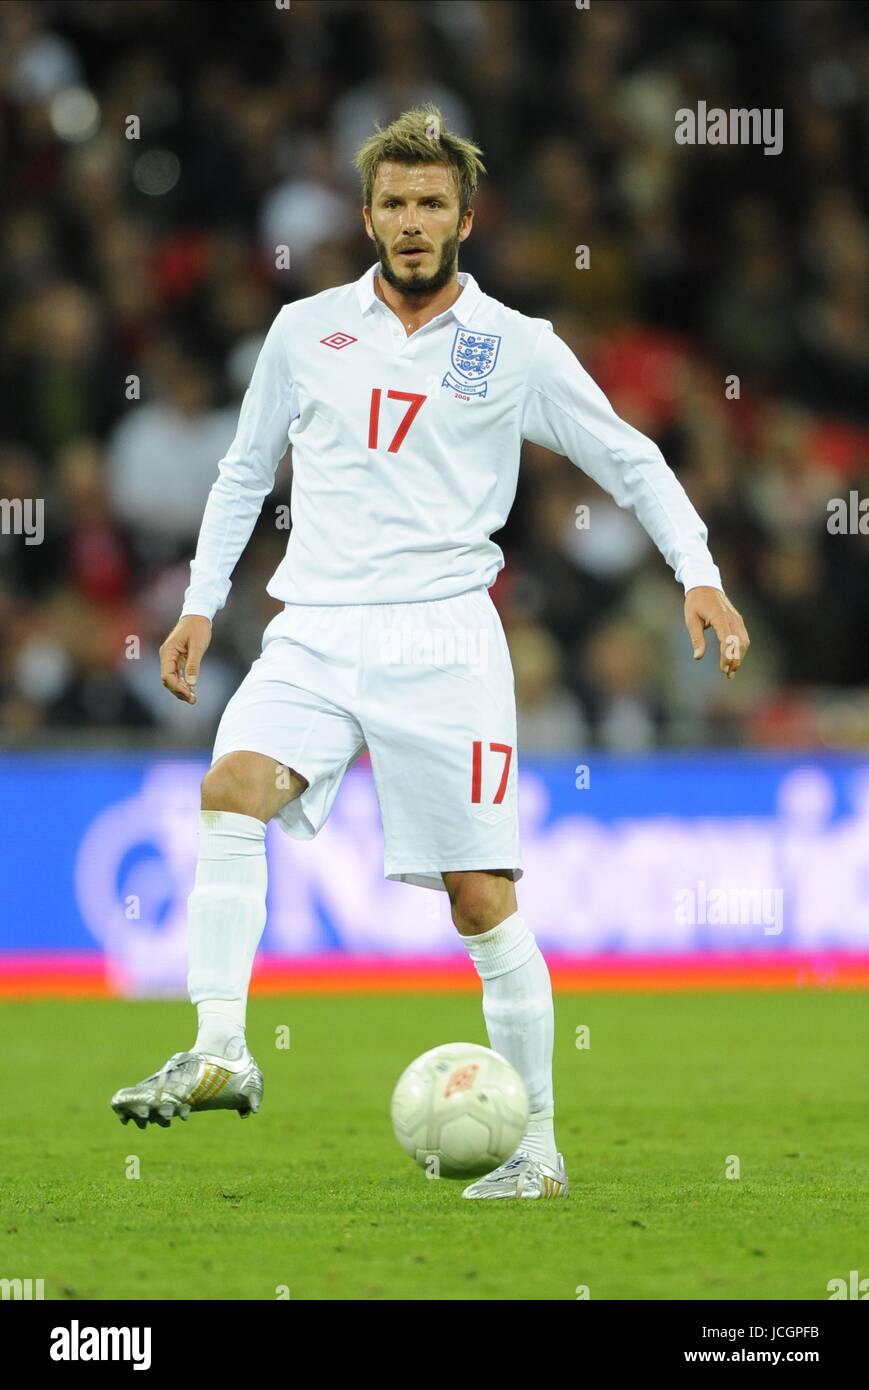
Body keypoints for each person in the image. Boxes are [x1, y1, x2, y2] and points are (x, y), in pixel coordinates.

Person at [111, 105, 749, 1201]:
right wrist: (201, 604)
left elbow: (629, 456)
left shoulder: (515, 346)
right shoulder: (304, 330)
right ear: (366, 215)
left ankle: (539, 1149)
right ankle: (221, 1045)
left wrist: (697, 571)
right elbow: (240, 472)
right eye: (394, 204)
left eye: (430, 204)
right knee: (228, 790)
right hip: (310, 627)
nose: (411, 222)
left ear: (466, 215)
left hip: (444, 639)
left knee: (479, 900)